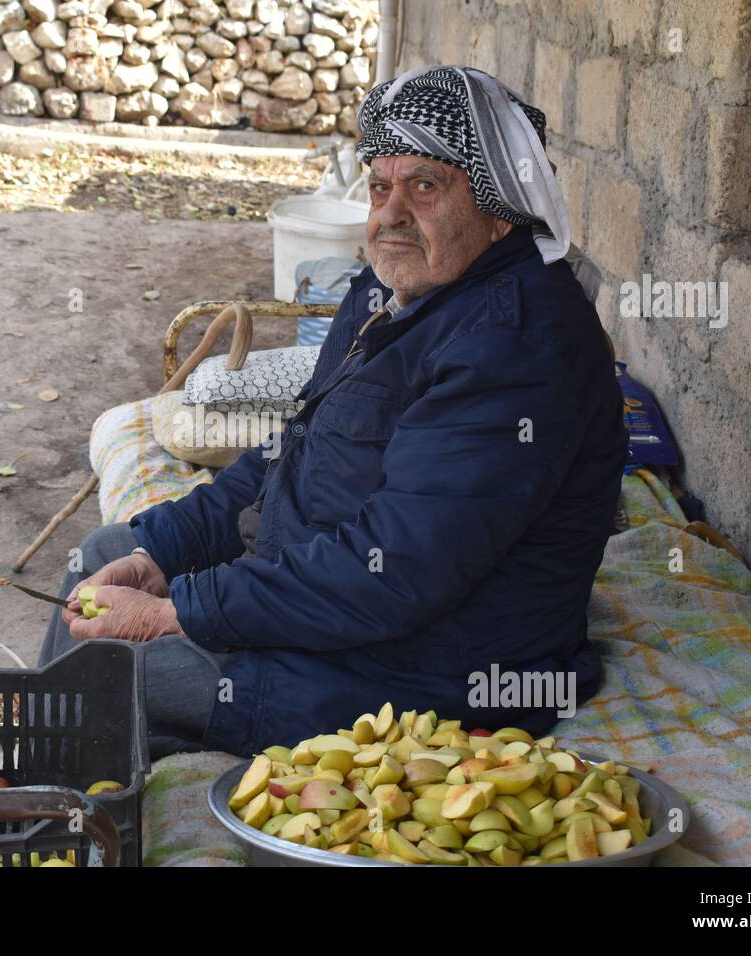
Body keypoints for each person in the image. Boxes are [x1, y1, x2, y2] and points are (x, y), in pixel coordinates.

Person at [38, 65, 627, 760]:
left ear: (499, 208)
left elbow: (396, 570)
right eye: (381, 186)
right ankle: (53, 780)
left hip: (421, 669)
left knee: (100, 680)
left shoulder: (517, 339)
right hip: (335, 615)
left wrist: (181, 612)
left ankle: (49, 816)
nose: (391, 214)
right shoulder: (392, 293)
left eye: (426, 186)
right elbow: (293, 450)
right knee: (110, 555)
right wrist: (165, 555)